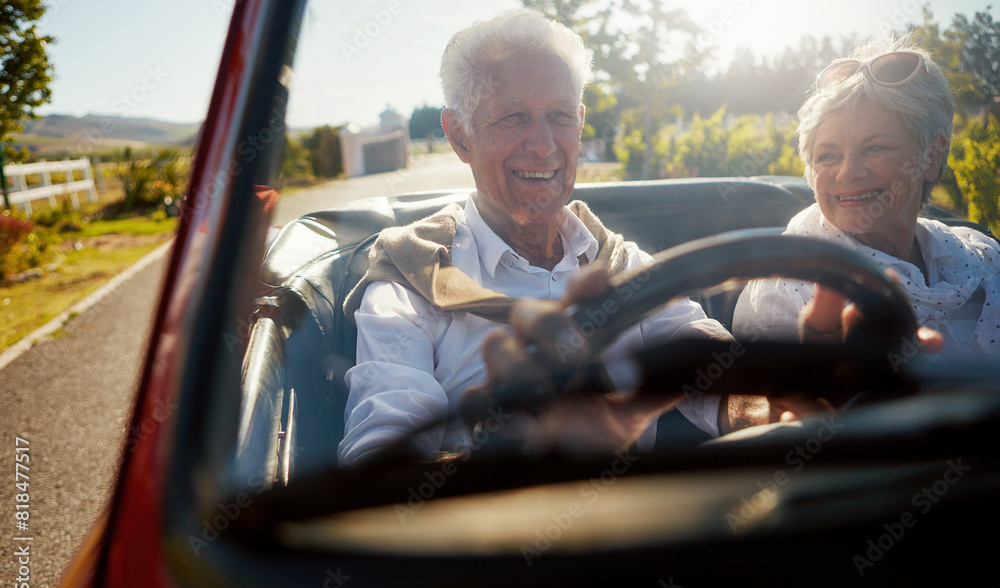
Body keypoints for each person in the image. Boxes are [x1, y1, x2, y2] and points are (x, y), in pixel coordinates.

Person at [338, 9, 767, 466]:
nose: (542, 144)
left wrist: (767, 412)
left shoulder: (619, 263)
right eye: (513, 116)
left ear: (580, 123)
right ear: (460, 135)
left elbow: (705, 360)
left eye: (559, 115)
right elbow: (380, 461)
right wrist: (512, 464)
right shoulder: (411, 278)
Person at [733, 37, 1000, 367]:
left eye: (875, 148)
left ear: (932, 155)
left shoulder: (985, 261)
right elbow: (787, 413)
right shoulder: (782, 287)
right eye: (827, 155)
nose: (848, 173)